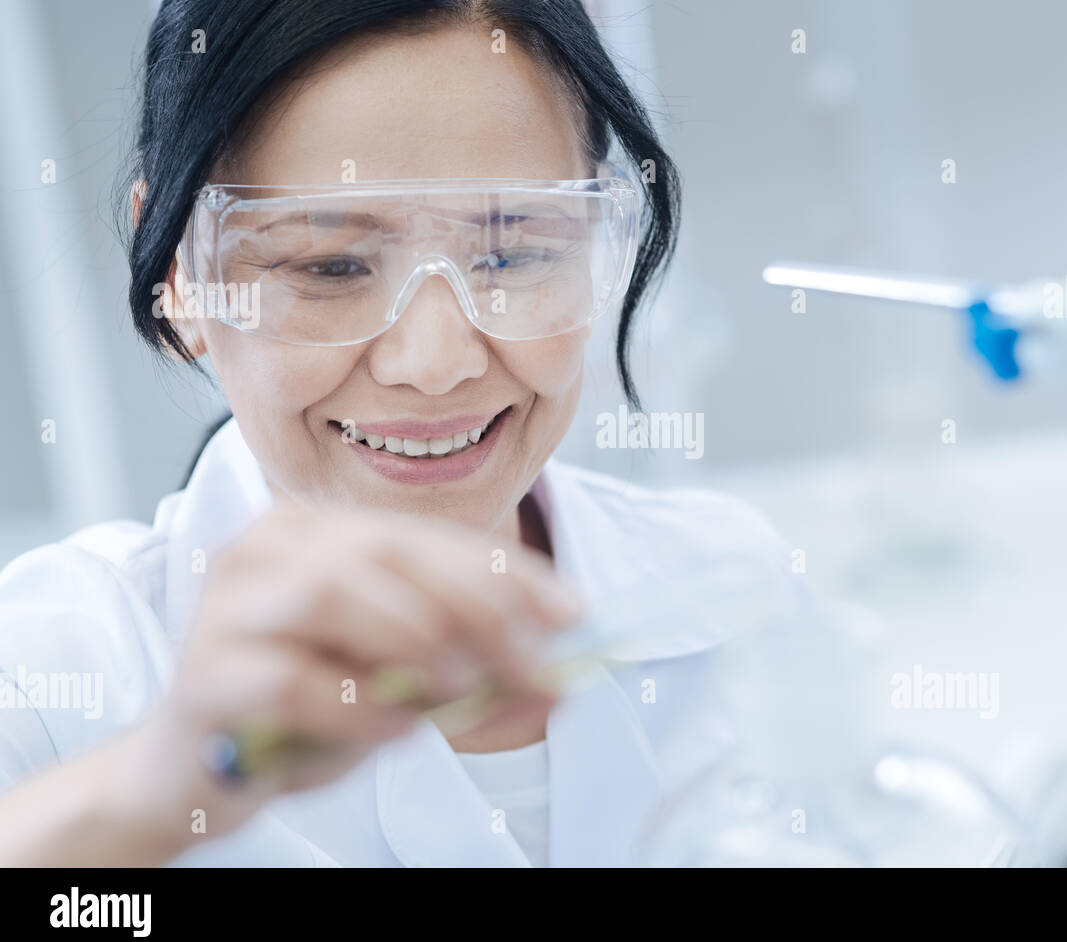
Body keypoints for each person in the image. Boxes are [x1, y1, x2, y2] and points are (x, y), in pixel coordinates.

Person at [0, 0, 800, 866]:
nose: (435, 361)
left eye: (517, 253)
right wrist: (161, 784)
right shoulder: (52, 670)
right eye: (330, 265)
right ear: (180, 277)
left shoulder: (729, 588)